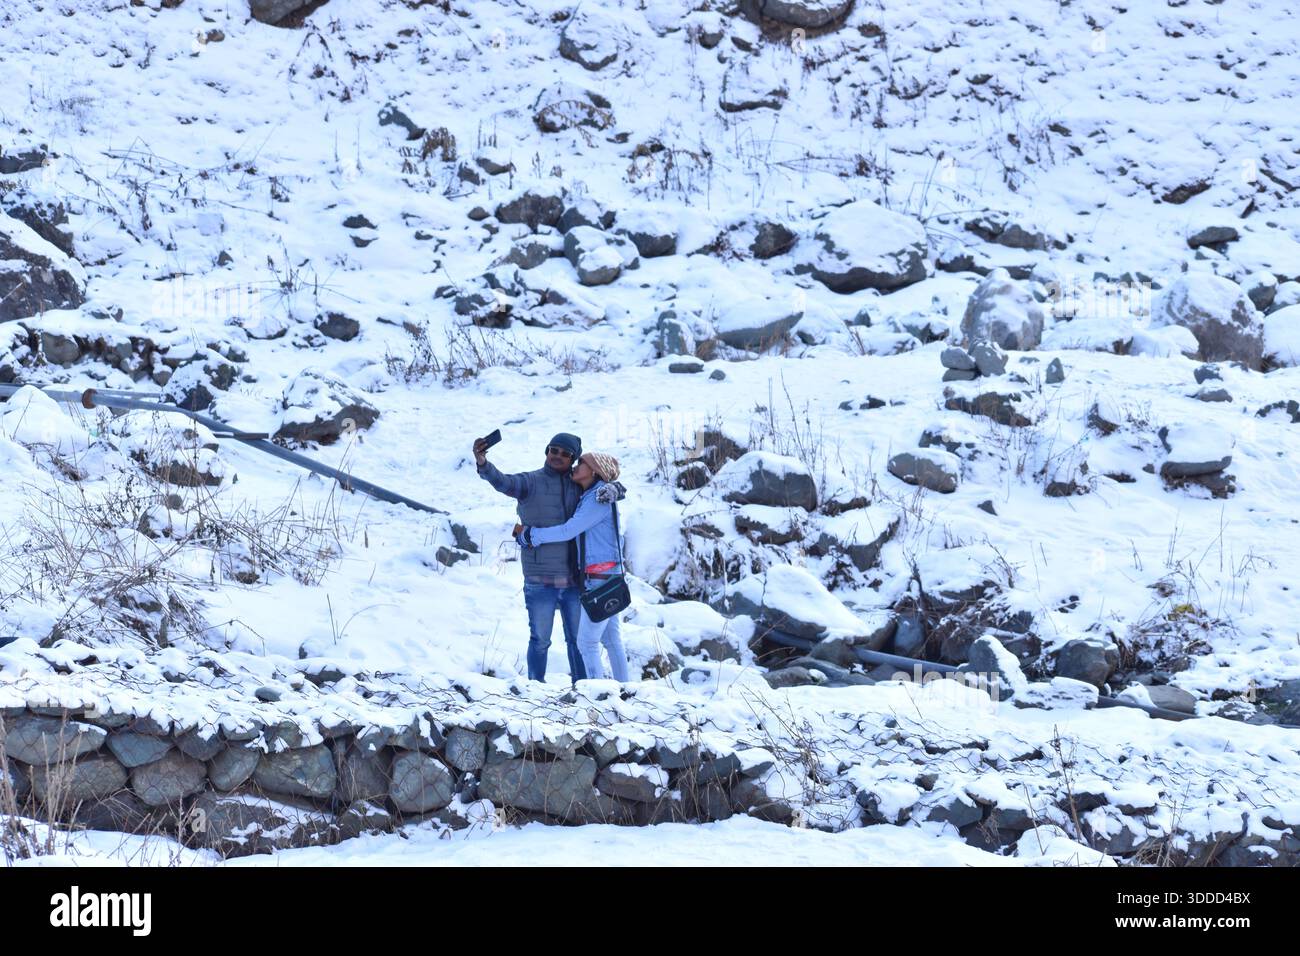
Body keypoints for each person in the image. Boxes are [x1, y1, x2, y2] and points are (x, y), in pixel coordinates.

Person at [474, 432, 587, 683]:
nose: (557, 456)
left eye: (565, 453)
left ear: (573, 459)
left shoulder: (580, 485)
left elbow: (604, 486)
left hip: (574, 580)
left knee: (578, 641)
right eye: (553, 450)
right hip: (540, 578)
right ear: (547, 450)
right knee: (540, 640)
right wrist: (483, 463)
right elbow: (503, 482)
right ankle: (535, 689)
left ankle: (584, 689)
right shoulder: (531, 481)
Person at [516, 451, 629, 682]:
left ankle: (598, 697)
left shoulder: (598, 498)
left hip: (601, 578)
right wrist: (617, 487)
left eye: (582, 463)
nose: (576, 466)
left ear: (595, 471)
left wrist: (532, 535)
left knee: (586, 643)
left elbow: (569, 530)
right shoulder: (591, 495)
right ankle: (625, 690)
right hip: (607, 576)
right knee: (611, 640)